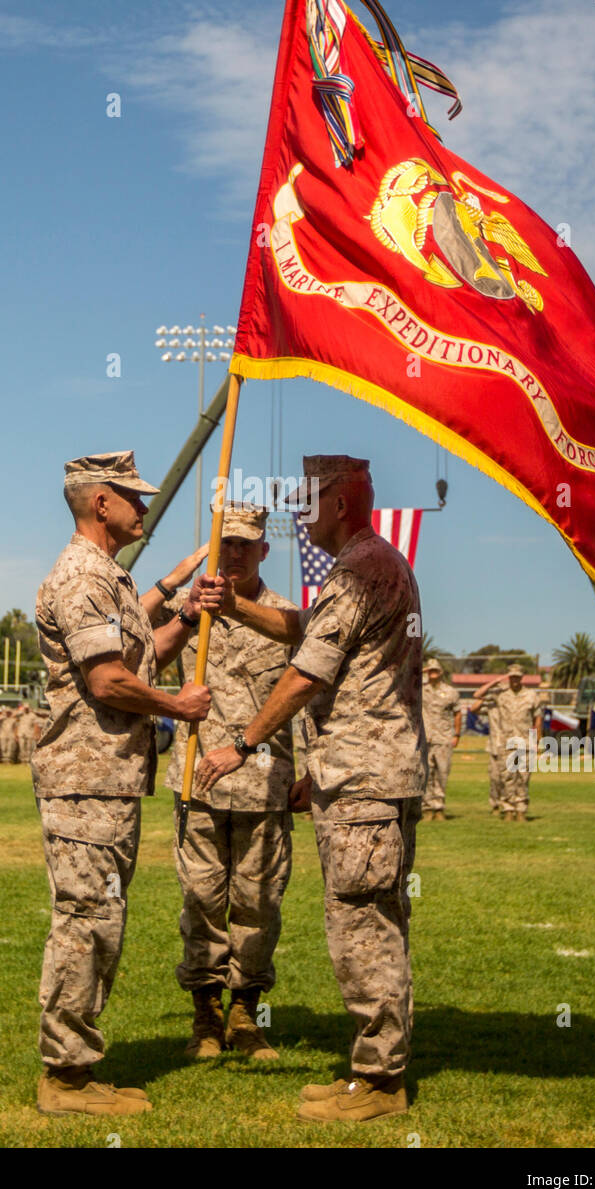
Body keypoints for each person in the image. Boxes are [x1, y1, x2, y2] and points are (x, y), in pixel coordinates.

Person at [196, 455, 427, 1123]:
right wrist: (236, 606)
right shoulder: (366, 565)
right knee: (363, 924)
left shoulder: (358, 570)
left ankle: (380, 1083)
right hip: (359, 776)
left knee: (366, 931)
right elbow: (307, 631)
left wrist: (242, 742)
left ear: (343, 504)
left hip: (363, 779)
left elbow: (307, 673)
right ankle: (369, 1070)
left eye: (311, 502)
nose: (302, 514)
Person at [32, 450, 216, 1118]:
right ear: (99, 502)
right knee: (86, 923)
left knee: (100, 922)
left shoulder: (106, 575)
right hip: (86, 780)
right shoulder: (84, 576)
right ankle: (66, 1078)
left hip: (106, 780)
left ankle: (78, 1069)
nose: (144, 508)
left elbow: (138, 656)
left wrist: (187, 616)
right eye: (133, 497)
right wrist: (178, 707)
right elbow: (107, 681)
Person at [158, 502, 296, 1062]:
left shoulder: (290, 617)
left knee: (259, 903)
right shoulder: (190, 609)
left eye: (246, 544)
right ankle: (206, 1014)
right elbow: (136, 645)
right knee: (202, 900)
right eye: (226, 544)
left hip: (266, 783)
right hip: (198, 779)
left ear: (265, 549)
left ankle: (247, 1012)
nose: (235, 553)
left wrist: (307, 768)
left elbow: (309, 695)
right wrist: (184, 604)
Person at [469, 666, 543, 821]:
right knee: (507, 777)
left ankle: (521, 810)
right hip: (506, 743)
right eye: (512, 677)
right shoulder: (500, 694)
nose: (515, 680)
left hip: (525, 743)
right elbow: (477, 695)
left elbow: (537, 719)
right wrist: (495, 681)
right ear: (508, 678)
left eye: (517, 677)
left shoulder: (531, 696)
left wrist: (537, 741)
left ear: (522, 677)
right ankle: (509, 809)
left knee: (523, 778)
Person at [420, 660, 461, 821]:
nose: (432, 673)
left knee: (442, 773)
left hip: (443, 738)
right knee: (425, 774)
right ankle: (427, 808)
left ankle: (439, 807)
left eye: (436, 670)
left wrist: (457, 734)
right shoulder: (420, 689)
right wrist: (423, 670)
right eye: (430, 670)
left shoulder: (450, 692)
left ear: (441, 672)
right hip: (425, 737)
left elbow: (457, 713)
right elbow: (407, 676)